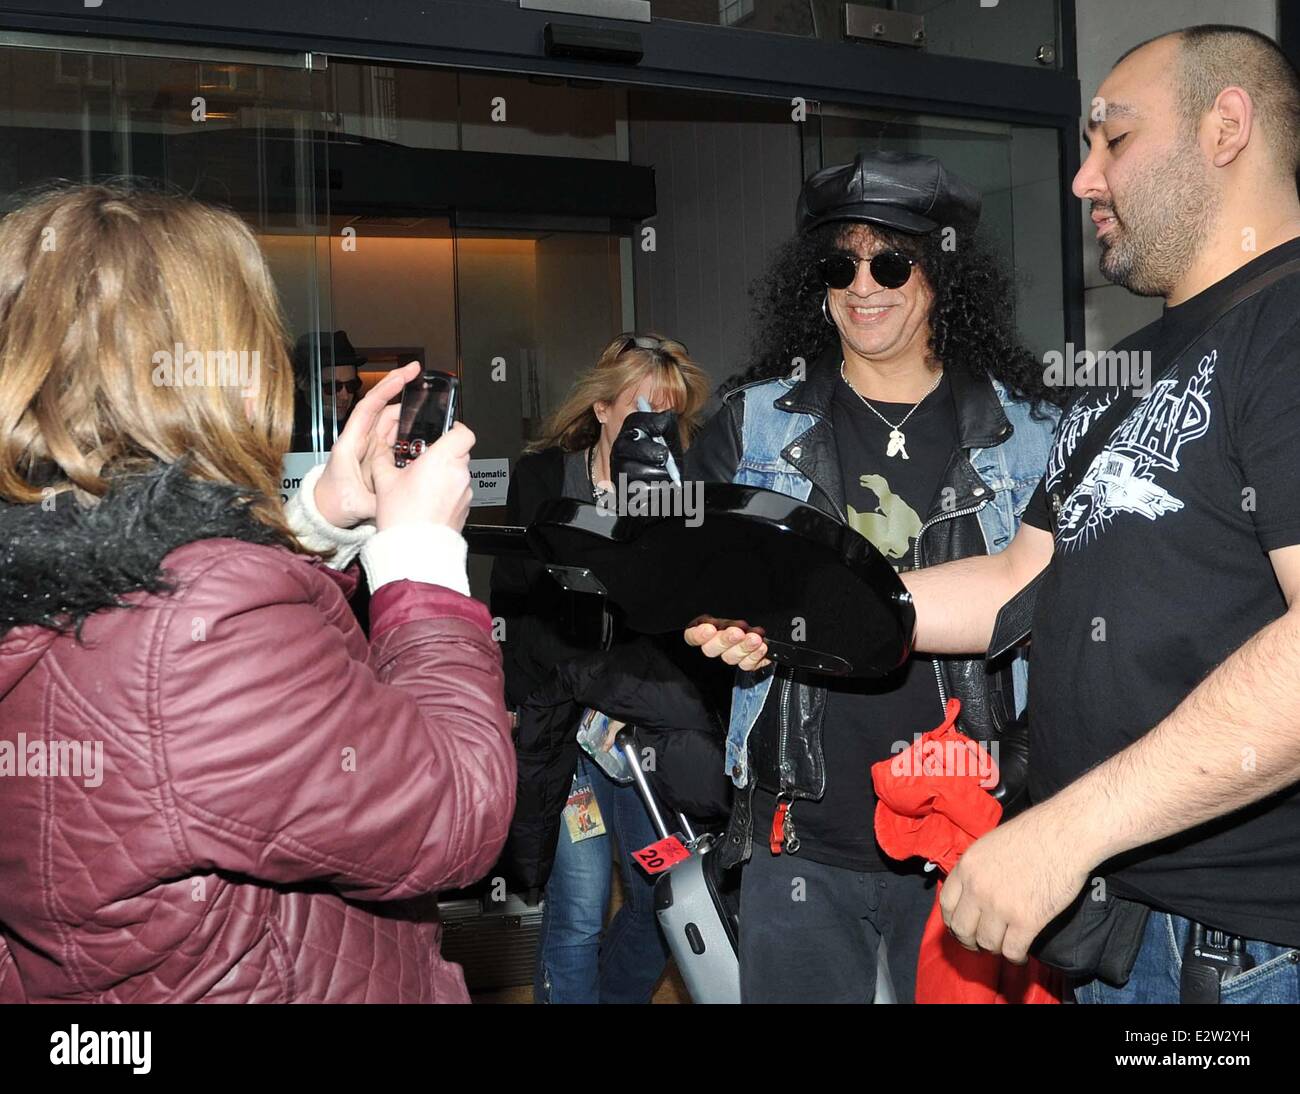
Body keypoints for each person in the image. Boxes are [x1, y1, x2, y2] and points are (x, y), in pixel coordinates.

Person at [692, 26, 1300, 1005]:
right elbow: (1018, 577)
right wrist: (791, 606)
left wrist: (1069, 826)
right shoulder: (1127, 369)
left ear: (1224, 126)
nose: (1081, 178)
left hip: (1244, 952)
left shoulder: (1287, 328)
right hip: (1113, 926)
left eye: (1113, 139)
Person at [0, 184, 514, 1003]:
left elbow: (177, 641)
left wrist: (319, 517)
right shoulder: (198, 634)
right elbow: (457, 809)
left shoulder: (65, 569)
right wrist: (421, 560)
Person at [630, 150, 1062, 1003]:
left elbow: (1064, 616)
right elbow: (696, 584)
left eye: (891, 261)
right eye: (840, 263)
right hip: (803, 836)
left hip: (971, 832)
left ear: (942, 275)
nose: (863, 286)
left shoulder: (1030, 434)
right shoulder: (753, 425)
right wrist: (715, 632)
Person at [490, 333, 712, 1003]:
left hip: (644, 730)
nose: (655, 424)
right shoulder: (542, 479)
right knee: (581, 911)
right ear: (604, 408)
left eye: (668, 412)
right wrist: (505, 694)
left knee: (658, 902)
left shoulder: (682, 491)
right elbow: (510, 596)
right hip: (562, 723)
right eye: (643, 406)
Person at [290, 329, 367, 452]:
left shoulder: (362, 427)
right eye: (332, 387)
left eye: (351, 385)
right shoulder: (287, 432)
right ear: (304, 383)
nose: (345, 396)